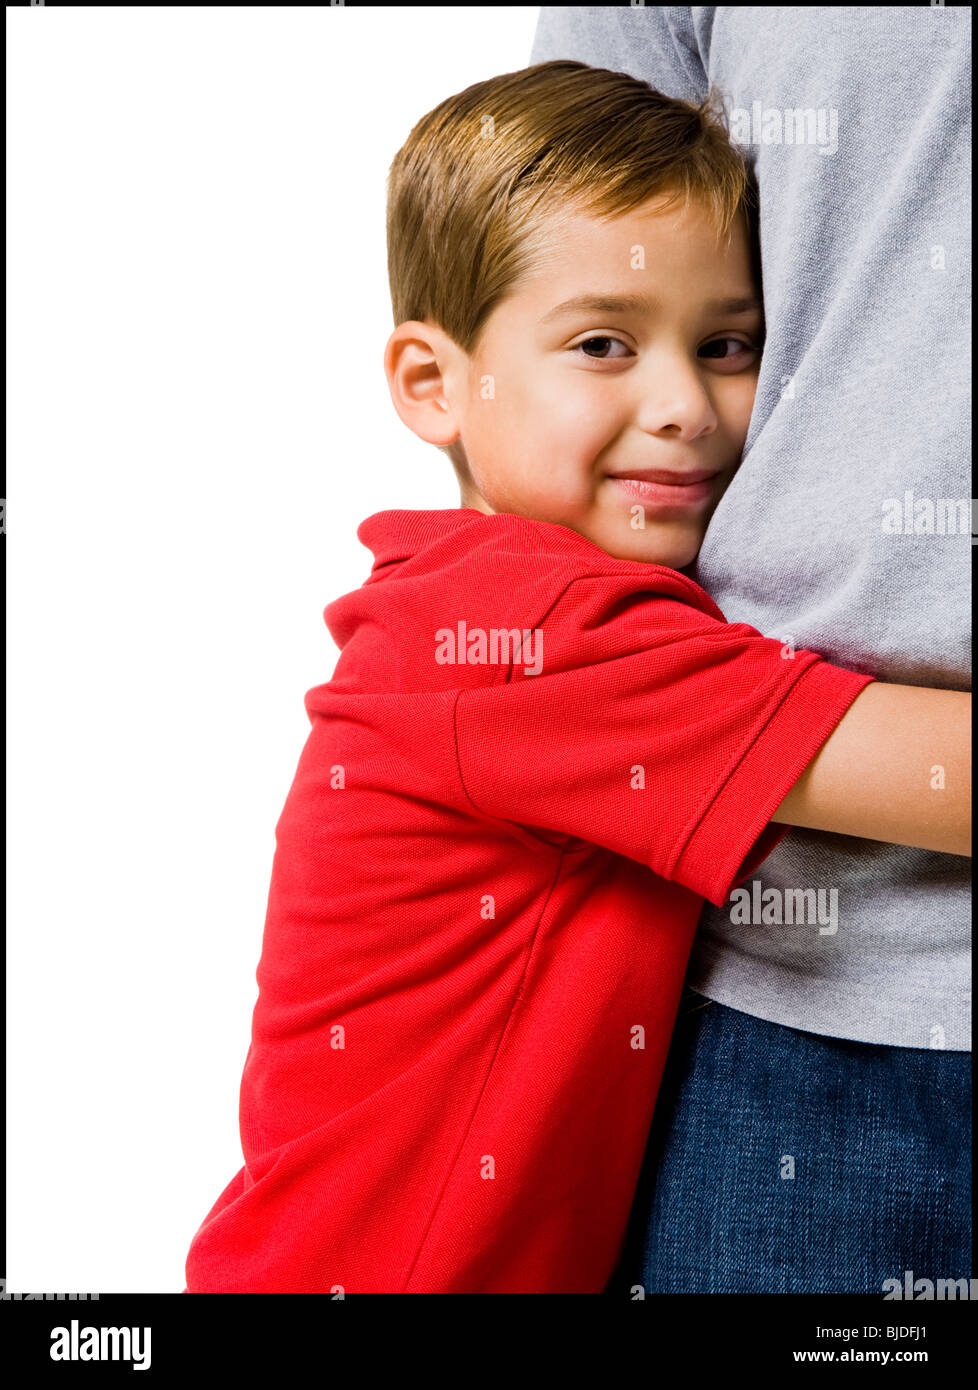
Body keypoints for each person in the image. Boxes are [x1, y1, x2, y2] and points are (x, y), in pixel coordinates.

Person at [183, 60, 970, 1294]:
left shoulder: (462, 596)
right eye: (603, 343)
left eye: (726, 345)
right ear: (433, 385)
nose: (685, 407)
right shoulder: (532, 632)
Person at [529, 9, 972, 1293]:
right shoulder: (516, 661)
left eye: (723, 350)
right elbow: (565, 274)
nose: (677, 399)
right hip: (792, 1014)